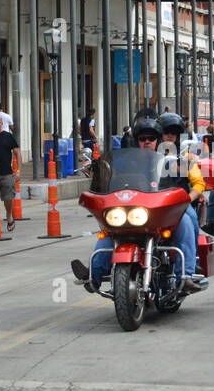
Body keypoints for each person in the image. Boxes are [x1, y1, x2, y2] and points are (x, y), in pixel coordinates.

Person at [74, 115, 205, 293]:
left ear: (157, 139)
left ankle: (186, 274)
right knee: (109, 231)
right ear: (136, 141)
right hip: (135, 207)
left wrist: (186, 195)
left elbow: (197, 182)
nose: (147, 142)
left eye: (151, 138)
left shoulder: (176, 159)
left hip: (165, 208)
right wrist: (98, 169)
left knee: (187, 219)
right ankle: (93, 276)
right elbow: (110, 176)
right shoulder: (124, 160)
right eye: (142, 139)